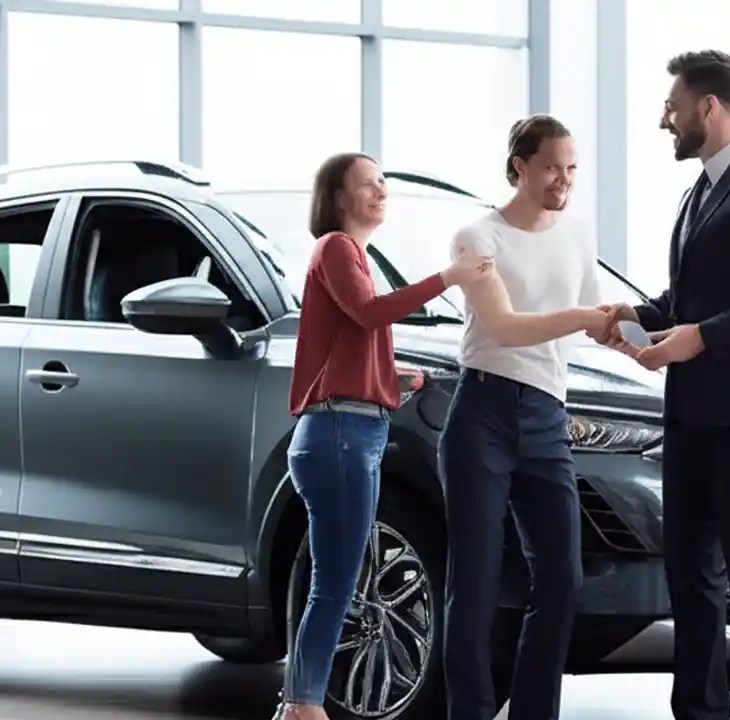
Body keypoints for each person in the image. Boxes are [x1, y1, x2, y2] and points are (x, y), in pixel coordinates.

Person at [593, 50, 730, 720]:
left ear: (709, 107)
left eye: (673, 106)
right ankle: (698, 711)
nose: (666, 119)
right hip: (689, 414)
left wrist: (702, 337)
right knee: (689, 574)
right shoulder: (700, 190)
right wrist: (639, 318)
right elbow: (695, 297)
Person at [275, 152, 493, 720]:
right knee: (335, 584)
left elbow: (348, 339)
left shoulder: (354, 257)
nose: (380, 193)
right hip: (341, 434)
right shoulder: (337, 248)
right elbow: (371, 313)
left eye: (383, 184)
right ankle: (302, 705)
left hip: (348, 430)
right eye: (367, 185)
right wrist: (449, 277)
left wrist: (391, 376)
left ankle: (298, 703)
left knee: (338, 581)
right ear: (339, 197)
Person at [439, 114, 610, 720]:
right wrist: (585, 319)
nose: (562, 180)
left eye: (570, 169)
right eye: (550, 168)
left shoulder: (578, 233)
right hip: (483, 410)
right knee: (477, 583)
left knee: (562, 580)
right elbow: (507, 328)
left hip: (547, 415)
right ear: (518, 165)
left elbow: (597, 320)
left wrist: (655, 350)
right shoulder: (477, 237)